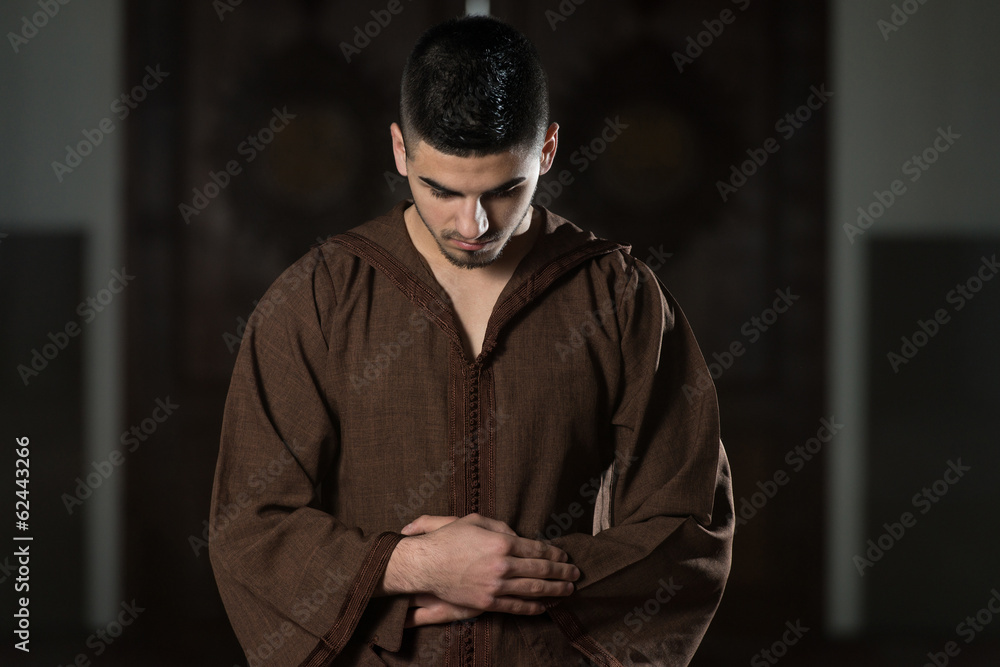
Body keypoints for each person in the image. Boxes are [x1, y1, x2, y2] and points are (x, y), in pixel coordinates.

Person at [210, 14, 733, 667]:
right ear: (401, 151)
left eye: (505, 189)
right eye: (440, 190)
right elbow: (250, 527)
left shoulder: (622, 298)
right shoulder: (316, 298)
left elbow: (689, 526)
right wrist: (409, 564)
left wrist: (516, 572)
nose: (473, 224)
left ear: (546, 150)